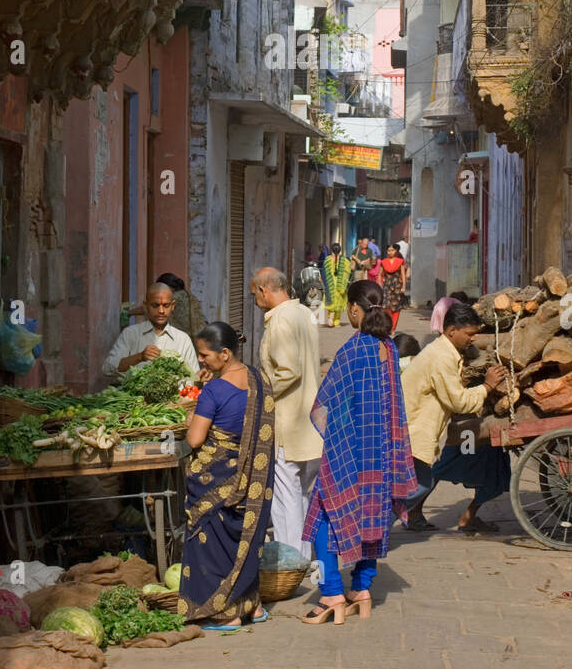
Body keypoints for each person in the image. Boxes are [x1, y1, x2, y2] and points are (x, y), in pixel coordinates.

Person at [301, 305, 417, 624]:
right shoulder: (389, 348)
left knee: (324, 518)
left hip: (348, 452)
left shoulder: (352, 349)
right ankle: (362, 590)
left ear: (354, 310)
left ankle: (331, 593)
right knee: (374, 519)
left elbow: (326, 402)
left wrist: (335, 435)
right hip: (380, 455)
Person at [177, 323, 274, 631]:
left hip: (215, 482)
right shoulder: (260, 380)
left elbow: (194, 440)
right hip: (252, 484)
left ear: (224, 353)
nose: (201, 361)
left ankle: (224, 613)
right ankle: (252, 606)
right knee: (243, 542)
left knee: (213, 545)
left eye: (204, 355)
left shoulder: (214, 392)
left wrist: (192, 418)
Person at [400, 302, 506, 531]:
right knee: (417, 485)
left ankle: (375, 529)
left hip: (421, 428)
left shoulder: (446, 352)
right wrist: (487, 386)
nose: (473, 339)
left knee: (419, 482)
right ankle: (372, 530)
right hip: (414, 429)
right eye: (469, 334)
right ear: (451, 331)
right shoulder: (441, 357)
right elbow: (459, 401)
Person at [251, 267, 322, 559]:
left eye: (255, 293)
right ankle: (303, 556)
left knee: (286, 495)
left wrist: (258, 393)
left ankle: (291, 559)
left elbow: (288, 371)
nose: (255, 299)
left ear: (264, 291)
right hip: (309, 420)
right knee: (300, 495)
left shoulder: (280, 320)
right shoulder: (303, 313)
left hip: (288, 423)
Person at [102, 282, 200, 379]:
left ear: (173, 306)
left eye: (166, 305)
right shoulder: (130, 334)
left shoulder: (183, 339)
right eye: (155, 305)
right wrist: (139, 357)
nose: (161, 311)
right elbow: (108, 368)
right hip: (135, 394)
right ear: (146, 306)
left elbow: (194, 377)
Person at [156, 272, 206, 342]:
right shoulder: (189, 296)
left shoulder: (172, 298)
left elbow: (151, 307)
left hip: (186, 339)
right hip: (201, 336)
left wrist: (134, 311)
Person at [377, 244, 407, 330]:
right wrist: (380, 284)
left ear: (396, 251)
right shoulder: (383, 261)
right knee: (385, 306)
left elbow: (403, 275)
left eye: (392, 250)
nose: (390, 252)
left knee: (396, 307)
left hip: (397, 286)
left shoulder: (400, 261)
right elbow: (380, 274)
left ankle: (393, 328)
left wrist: (404, 286)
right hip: (386, 286)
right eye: (388, 250)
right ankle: (387, 325)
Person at [322, 242, 351, 326]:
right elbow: (348, 272)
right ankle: (336, 321)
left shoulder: (327, 260)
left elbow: (324, 273)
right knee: (338, 302)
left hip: (330, 284)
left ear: (331, 250)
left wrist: (325, 283)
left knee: (331, 301)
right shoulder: (345, 261)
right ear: (340, 250)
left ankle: (330, 316)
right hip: (340, 285)